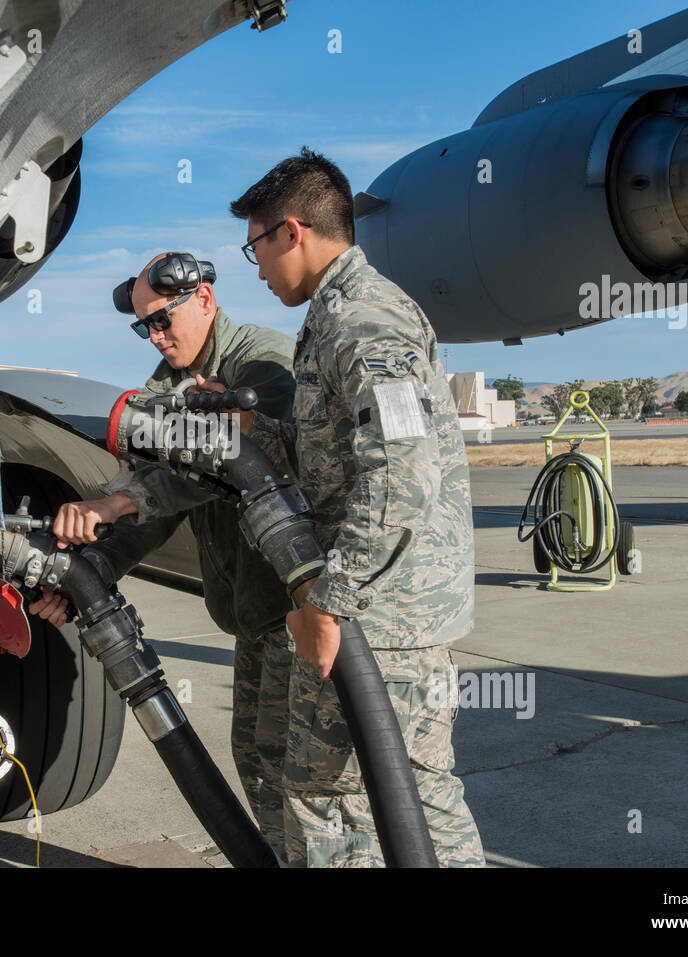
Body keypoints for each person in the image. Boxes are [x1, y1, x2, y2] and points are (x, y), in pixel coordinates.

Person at [216, 146, 484, 867]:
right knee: (420, 796)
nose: (261, 271)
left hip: (378, 615)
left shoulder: (361, 319)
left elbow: (402, 467)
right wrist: (254, 432)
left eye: (256, 249)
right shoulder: (340, 316)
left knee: (326, 797)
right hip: (396, 610)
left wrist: (329, 602)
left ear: (292, 231)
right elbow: (340, 455)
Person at [28, 252, 299, 857]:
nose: (155, 335)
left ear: (204, 298)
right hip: (254, 617)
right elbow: (158, 499)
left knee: (306, 782)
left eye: (163, 318)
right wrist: (86, 572)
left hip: (300, 612)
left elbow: (223, 469)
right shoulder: (168, 385)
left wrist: (116, 502)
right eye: (144, 325)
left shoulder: (265, 363)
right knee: (257, 761)